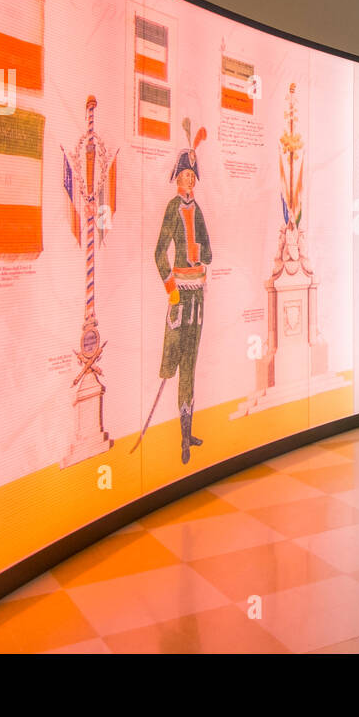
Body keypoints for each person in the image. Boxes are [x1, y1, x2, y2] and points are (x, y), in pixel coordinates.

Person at [155, 123, 212, 465]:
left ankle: (186, 433)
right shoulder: (171, 210)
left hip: (198, 297)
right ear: (177, 179)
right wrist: (171, 288)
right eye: (184, 177)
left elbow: (208, 251)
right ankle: (182, 437)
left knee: (191, 364)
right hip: (180, 297)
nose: (188, 183)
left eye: (192, 178)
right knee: (174, 361)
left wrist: (203, 264)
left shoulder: (198, 210)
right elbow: (158, 253)